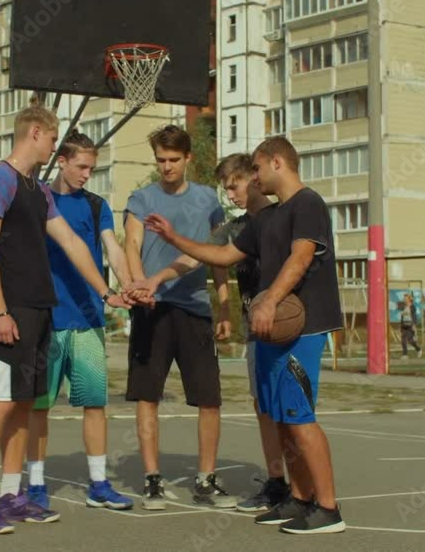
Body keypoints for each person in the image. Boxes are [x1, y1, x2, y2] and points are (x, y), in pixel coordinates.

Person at [144, 136, 347, 534]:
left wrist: (270, 299)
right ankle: (300, 498)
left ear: (276, 162)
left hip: (302, 327)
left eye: (255, 168)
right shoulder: (266, 220)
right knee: (282, 419)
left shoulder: (308, 204)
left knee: (300, 418)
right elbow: (222, 255)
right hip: (268, 332)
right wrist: (173, 239)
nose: (252, 177)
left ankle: (328, 508)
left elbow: (302, 256)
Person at [0, 106, 130, 535]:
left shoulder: (39, 191)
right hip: (12, 310)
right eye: (53, 139)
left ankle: (12, 496)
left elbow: (73, 244)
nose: (55, 147)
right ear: (35, 133)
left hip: (41, 312)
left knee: (23, 404)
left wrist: (107, 292)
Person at [129, 153, 288, 512]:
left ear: (256, 178)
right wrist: (154, 278)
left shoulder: (284, 216)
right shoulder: (237, 228)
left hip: (288, 325)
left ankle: (306, 489)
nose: (230, 196)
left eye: (235, 187)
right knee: (263, 405)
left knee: (290, 409)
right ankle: (278, 483)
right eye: (226, 189)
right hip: (256, 329)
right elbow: (198, 256)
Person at [122, 125, 237, 511]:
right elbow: (132, 244)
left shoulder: (208, 199)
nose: (166, 167)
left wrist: (224, 305)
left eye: (173, 160)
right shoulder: (141, 198)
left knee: (209, 399)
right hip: (152, 309)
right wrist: (140, 285)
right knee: (147, 396)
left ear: (188, 159)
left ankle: (206, 479)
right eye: (160, 160)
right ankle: (152, 479)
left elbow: (217, 255)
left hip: (195, 310)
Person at [23, 130, 135, 511]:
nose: (88, 174)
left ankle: (99, 484)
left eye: (93, 168)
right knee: (39, 406)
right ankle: (35, 484)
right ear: (63, 161)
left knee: (94, 404)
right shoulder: (38, 198)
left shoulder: (96, 205)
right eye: (82, 166)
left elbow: (113, 249)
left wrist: (130, 285)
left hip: (88, 318)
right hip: (46, 319)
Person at [400, 293, 422, 359]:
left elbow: (414, 316)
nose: (404, 300)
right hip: (404, 326)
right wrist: (401, 326)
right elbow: (402, 317)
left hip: (410, 325)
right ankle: (405, 354)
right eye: (404, 299)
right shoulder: (404, 307)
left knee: (410, 340)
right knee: (403, 340)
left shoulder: (412, 307)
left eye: (405, 298)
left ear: (409, 299)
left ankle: (418, 349)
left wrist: (414, 325)